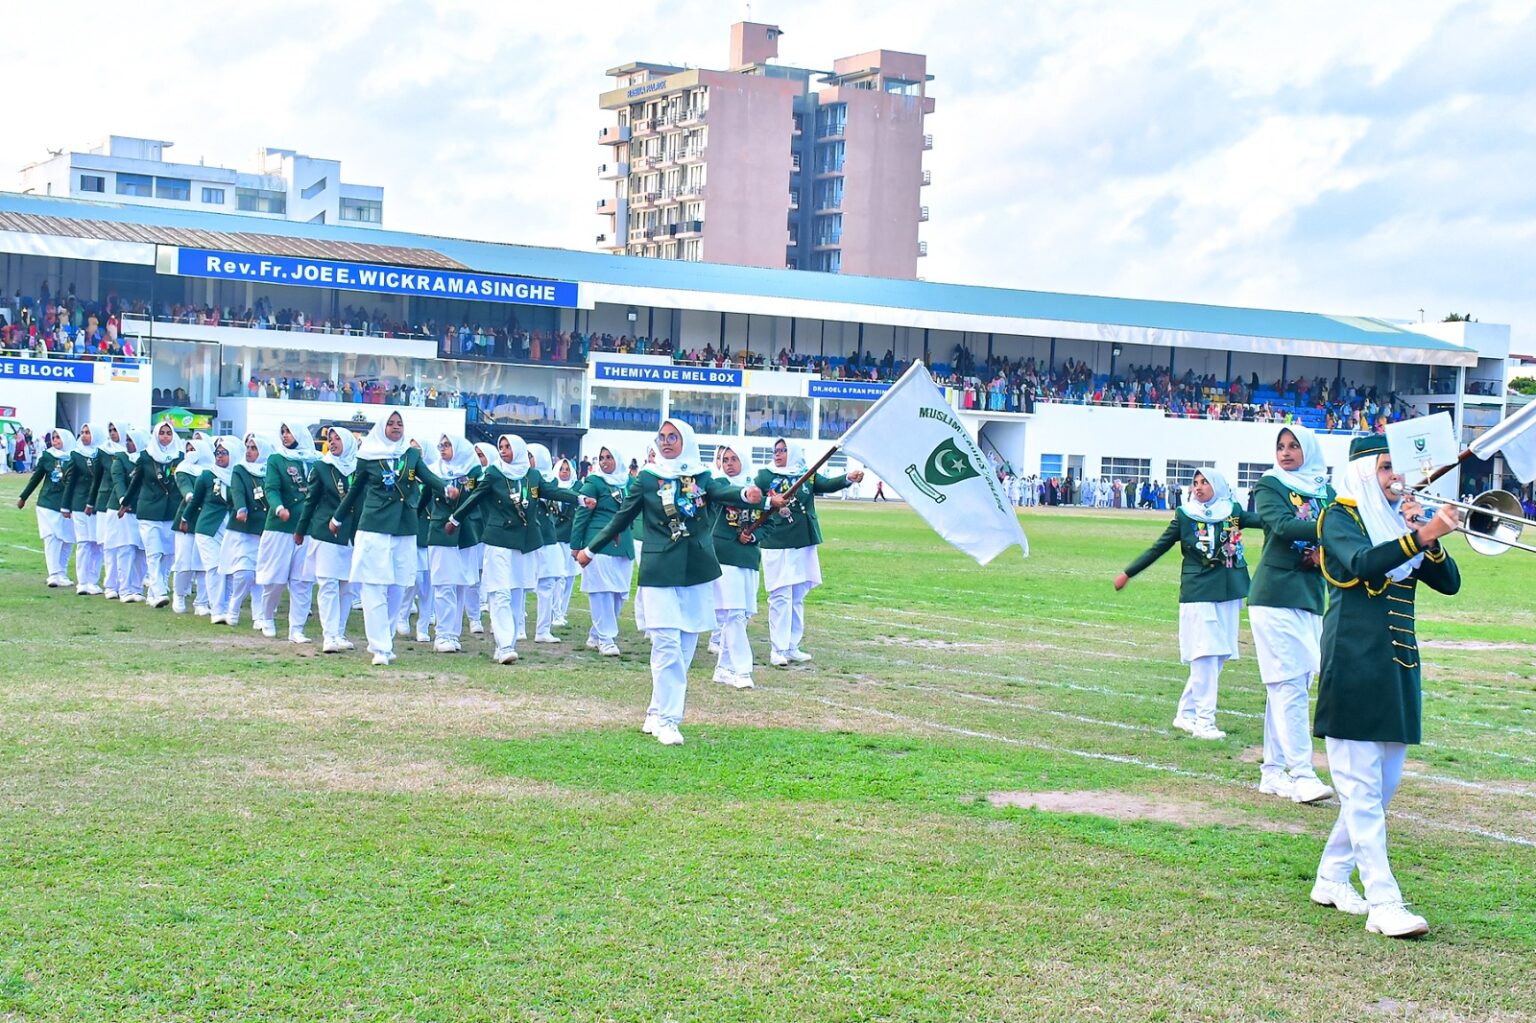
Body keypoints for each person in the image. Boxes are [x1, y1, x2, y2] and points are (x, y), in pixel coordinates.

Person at [1308, 435, 1461, 938]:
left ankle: (1331, 878)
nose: (1397, 477)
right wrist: (1418, 536)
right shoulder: (1339, 516)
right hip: (1353, 660)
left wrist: (1428, 533)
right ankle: (1384, 901)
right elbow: (1360, 564)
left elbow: (1450, 583)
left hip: (1397, 665)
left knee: (1380, 788)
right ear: (1359, 472)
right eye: (1386, 468)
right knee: (1362, 791)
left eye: (1399, 468)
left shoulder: (1402, 521)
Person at [574, 419, 765, 746]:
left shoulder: (701, 476)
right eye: (662, 437)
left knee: (687, 644)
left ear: (685, 440)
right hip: (659, 570)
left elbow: (722, 491)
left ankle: (655, 709)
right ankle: (668, 720)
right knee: (666, 644)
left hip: (698, 569)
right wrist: (591, 549)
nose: (666, 442)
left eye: (673, 437)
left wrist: (747, 494)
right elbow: (623, 517)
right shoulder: (648, 477)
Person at [1113, 469, 1264, 740]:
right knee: (1205, 653)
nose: (1199, 487)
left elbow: (1267, 521)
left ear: (1216, 485)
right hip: (1199, 590)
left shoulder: (1232, 512)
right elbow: (1158, 547)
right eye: (1195, 483)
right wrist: (1128, 572)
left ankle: (1186, 713)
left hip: (1231, 591)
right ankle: (1205, 721)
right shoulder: (1185, 515)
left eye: (1204, 482)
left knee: (1217, 657)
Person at [1249, 425, 1336, 804]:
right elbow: (1282, 526)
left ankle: (1272, 770)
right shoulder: (1270, 484)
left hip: (1310, 595)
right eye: (1281, 446)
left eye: (1294, 445)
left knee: (1292, 685)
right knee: (1287, 686)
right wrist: (1332, 528)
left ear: (1309, 449)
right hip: (1274, 595)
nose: (1285, 452)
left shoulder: (1326, 491)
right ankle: (1302, 775)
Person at [329, 412, 452, 665]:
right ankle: (379, 648)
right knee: (374, 586)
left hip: (404, 526)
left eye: (400, 424)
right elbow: (355, 490)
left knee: (398, 585)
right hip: (375, 526)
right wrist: (338, 518)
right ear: (381, 427)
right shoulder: (368, 456)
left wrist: (445, 487)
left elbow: (427, 477)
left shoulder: (411, 454)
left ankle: (386, 638)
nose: (396, 427)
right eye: (391, 424)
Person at [752, 438, 863, 667]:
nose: (778, 454)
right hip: (777, 540)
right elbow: (754, 498)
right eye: (776, 450)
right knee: (780, 595)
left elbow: (825, 485)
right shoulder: (765, 476)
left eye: (783, 450)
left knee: (798, 595)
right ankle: (778, 648)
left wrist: (847, 479)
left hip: (803, 540)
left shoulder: (806, 473)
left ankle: (793, 646)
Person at [444, 434, 544, 665]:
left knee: (517, 593)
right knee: (500, 591)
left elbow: (551, 491)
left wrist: (579, 498)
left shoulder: (532, 476)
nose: (504, 450)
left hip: (523, 542)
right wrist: (456, 519)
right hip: (498, 539)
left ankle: (505, 644)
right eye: (501, 446)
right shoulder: (494, 473)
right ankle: (505, 644)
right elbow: (476, 497)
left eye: (508, 446)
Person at [295, 427, 358, 653]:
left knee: (347, 586)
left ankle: (340, 632)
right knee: (328, 584)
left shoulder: (359, 467)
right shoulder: (322, 467)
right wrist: (301, 529)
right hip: (326, 531)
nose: (332, 442)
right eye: (330, 439)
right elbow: (310, 500)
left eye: (337, 438)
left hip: (352, 533)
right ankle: (329, 635)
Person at [255, 422, 317, 643]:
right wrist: (279, 507)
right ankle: (267, 617)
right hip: (280, 527)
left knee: (303, 580)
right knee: (275, 579)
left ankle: (296, 629)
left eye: (289, 431)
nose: (285, 435)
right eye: (282, 431)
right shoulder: (276, 459)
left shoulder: (315, 460)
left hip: (307, 528)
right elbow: (271, 488)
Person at [570, 444, 633, 657]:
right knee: (600, 591)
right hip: (597, 542)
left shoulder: (630, 483)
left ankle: (597, 633)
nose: (604, 461)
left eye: (609, 457)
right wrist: (576, 544)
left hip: (624, 544)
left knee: (618, 594)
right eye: (601, 457)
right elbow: (581, 513)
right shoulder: (594, 482)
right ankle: (606, 639)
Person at [708, 444, 761, 689]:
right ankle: (742, 670)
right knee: (734, 614)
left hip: (749, 559)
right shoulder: (718, 485)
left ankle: (723, 668)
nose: (728, 463)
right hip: (725, 557)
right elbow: (722, 496)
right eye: (725, 459)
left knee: (742, 615)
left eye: (734, 458)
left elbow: (768, 522)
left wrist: (755, 537)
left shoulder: (756, 489)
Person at [423, 434, 479, 653]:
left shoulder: (473, 471)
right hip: (441, 531)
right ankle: (442, 634)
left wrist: (461, 494)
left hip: (465, 531)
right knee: (444, 583)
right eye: (441, 445)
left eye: (447, 445)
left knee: (460, 584)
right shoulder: (434, 471)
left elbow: (474, 497)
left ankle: (454, 634)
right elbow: (422, 501)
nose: (443, 449)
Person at [122, 423, 182, 607]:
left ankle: (154, 592)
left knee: (168, 554)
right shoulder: (146, 457)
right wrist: (125, 503)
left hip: (171, 511)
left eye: (168, 433)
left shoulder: (179, 457)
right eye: (161, 433)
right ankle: (160, 591)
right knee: (153, 553)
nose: (165, 437)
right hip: (149, 510)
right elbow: (135, 482)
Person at [181, 436, 236, 625]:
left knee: (228, 569)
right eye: (217, 453)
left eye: (224, 453)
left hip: (231, 529)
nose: (219, 457)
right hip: (207, 528)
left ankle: (227, 606)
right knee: (213, 567)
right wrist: (185, 518)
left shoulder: (238, 475)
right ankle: (217, 610)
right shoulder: (207, 475)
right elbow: (195, 500)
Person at [16, 427, 77, 587]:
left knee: (68, 539)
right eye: (54, 438)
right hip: (48, 503)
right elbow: (36, 478)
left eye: (58, 438)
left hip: (68, 506)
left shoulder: (75, 458)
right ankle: (54, 574)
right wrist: (23, 497)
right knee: (52, 538)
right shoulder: (47, 456)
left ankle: (62, 572)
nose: (55, 441)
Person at [170, 438, 215, 615]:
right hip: (187, 518)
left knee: (205, 563)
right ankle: (179, 595)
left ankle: (202, 602)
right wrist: (192, 497)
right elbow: (185, 488)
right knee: (184, 562)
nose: (189, 452)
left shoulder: (212, 470)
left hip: (207, 519)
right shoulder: (183, 469)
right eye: (187, 449)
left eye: (193, 448)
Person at [66, 424, 104, 595]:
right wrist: (65, 505)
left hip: (98, 504)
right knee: (83, 542)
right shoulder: (76, 455)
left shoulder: (102, 454)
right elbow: (70, 481)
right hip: (79, 503)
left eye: (88, 432)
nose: (84, 436)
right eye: (82, 432)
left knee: (97, 543)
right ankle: (82, 582)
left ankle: (93, 581)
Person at [550, 457, 582, 627]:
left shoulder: (577, 488)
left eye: (567, 469)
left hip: (571, 537)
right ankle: (555, 613)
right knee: (559, 576)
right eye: (561, 469)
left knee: (569, 576)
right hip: (555, 537)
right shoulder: (552, 488)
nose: (564, 472)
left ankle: (562, 611)